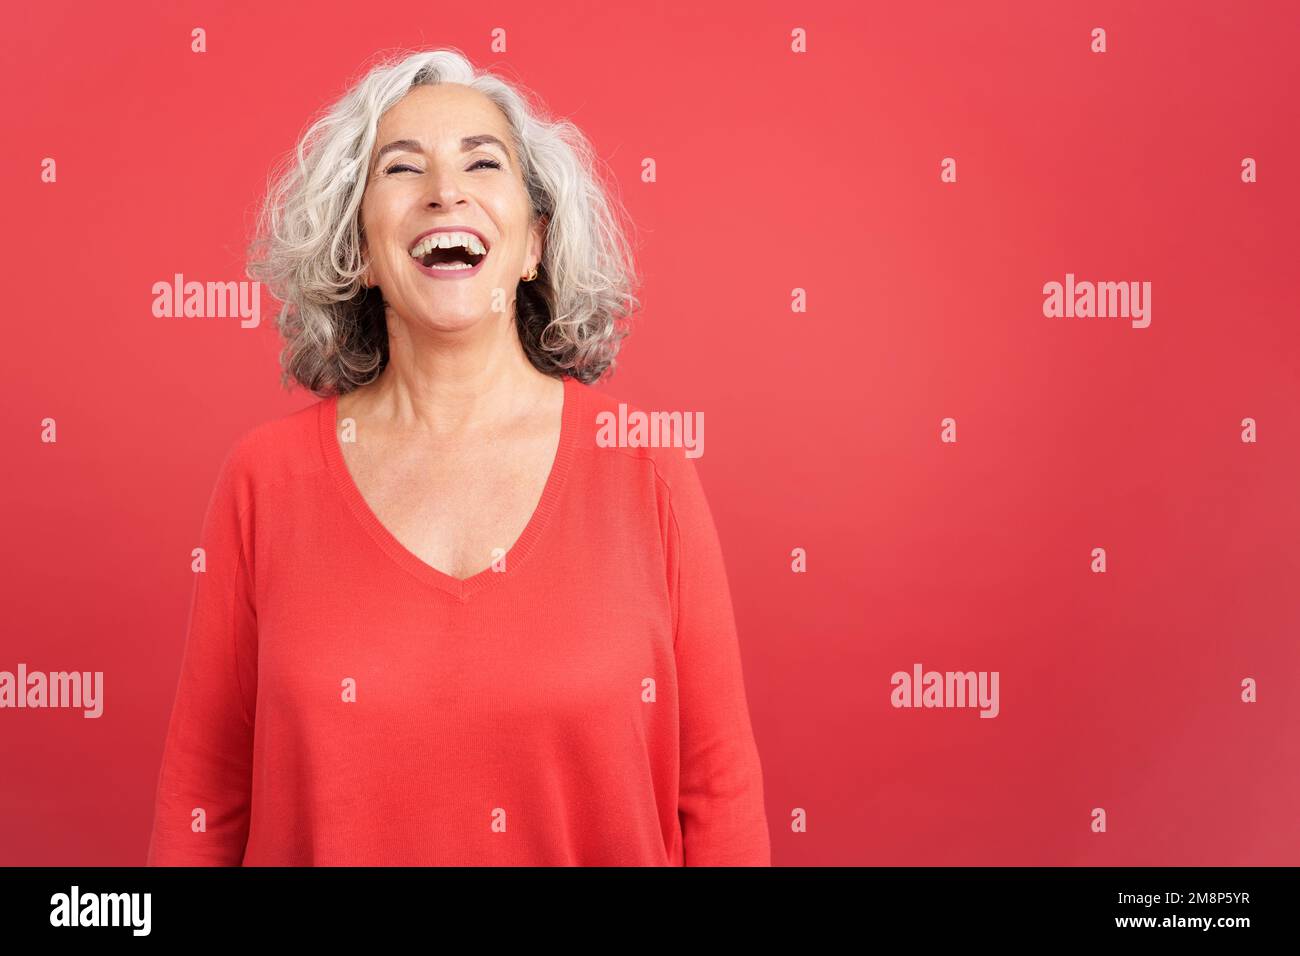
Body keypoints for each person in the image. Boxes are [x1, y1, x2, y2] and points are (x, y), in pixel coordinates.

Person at [145, 47, 770, 866]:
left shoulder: (646, 468)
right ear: (358, 254)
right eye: (402, 169)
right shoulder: (265, 481)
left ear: (534, 243)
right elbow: (205, 803)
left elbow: (718, 797)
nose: (447, 189)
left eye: (484, 160)